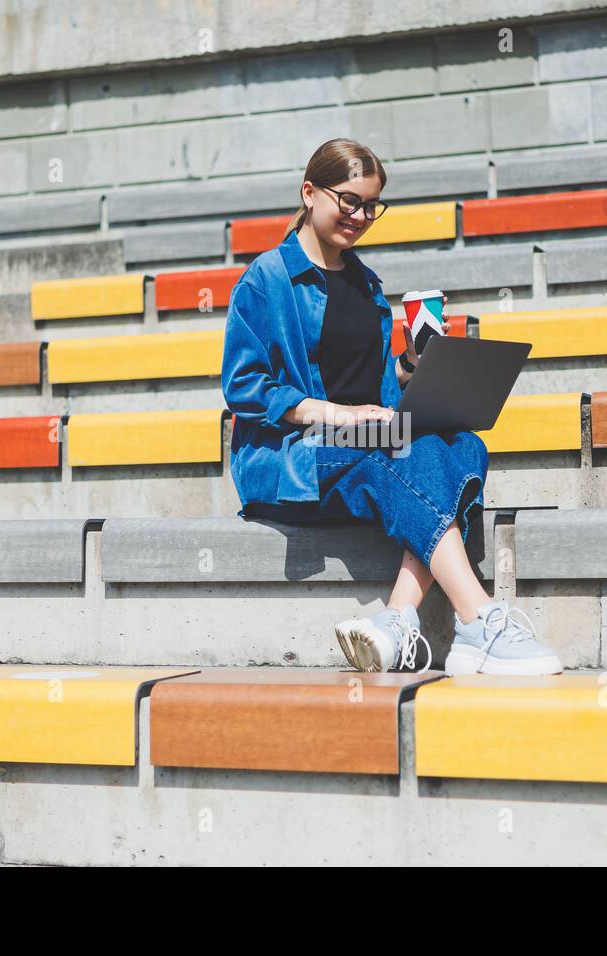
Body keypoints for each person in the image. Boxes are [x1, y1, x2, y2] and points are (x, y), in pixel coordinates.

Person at [220, 138, 562, 677]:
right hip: (290, 454)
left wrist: (413, 368)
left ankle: (400, 618)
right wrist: (334, 414)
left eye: (371, 206)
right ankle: (479, 619)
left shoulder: (366, 285)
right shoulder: (266, 280)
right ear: (309, 193)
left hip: (365, 444)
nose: (360, 216)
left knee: (464, 444)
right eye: (348, 201)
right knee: (399, 448)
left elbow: (380, 399)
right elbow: (244, 387)